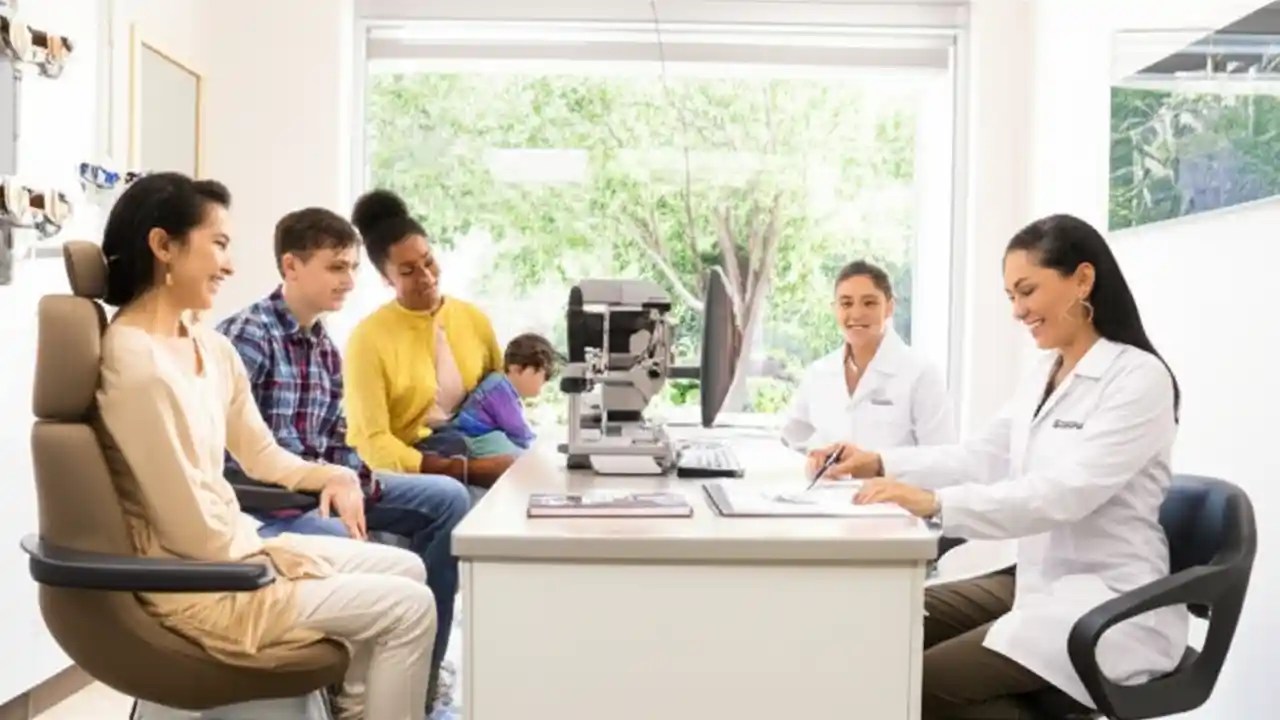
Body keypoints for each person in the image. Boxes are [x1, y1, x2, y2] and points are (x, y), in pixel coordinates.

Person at [806, 214, 1187, 718]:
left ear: (1083, 279)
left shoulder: (1138, 378)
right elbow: (979, 455)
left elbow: (1065, 494)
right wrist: (877, 461)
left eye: (1027, 291)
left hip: (1106, 601)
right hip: (1032, 580)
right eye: (1011, 296)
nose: (1018, 311)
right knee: (882, 627)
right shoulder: (1044, 372)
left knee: (918, 683)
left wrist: (937, 503)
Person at [95, 172, 434, 720]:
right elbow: (187, 530)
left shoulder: (209, 346)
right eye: (220, 245)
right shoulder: (137, 364)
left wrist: (331, 476)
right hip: (203, 583)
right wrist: (283, 561)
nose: (230, 265)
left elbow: (260, 454)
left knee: (406, 570)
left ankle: (353, 709)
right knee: (409, 608)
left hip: (234, 553)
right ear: (163, 246)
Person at [216, 206, 470, 713]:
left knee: (449, 500)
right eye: (337, 267)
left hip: (324, 488)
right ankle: (358, 698)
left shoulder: (323, 346)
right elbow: (231, 456)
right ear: (291, 267)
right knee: (339, 537)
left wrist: (358, 481)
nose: (350, 281)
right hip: (270, 503)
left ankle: (418, 678)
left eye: (353, 267)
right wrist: (328, 486)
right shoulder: (247, 336)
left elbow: (336, 437)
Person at [343, 189, 516, 493]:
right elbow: (370, 440)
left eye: (428, 261)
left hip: (475, 441)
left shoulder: (472, 319)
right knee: (472, 505)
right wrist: (456, 469)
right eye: (408, 271)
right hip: (420, 460)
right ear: (386, 278)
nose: (425, 276)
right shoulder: (368, 340)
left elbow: (502, 394)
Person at [781, 259, 955, 456]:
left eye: (869, 303)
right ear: (835, 309)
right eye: (846, 303)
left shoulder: (921, 374)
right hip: (829, 486)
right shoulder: (819, 373)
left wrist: (883, 469)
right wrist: (814, 457)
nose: (856, 313)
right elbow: (790, 438)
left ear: (889, 307)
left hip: (893, 486)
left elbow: (941, 457)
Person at [451, 332, 559, 456]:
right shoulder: (500, 387)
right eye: (542, 374)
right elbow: (516, 429)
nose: (544, 381)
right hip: (471, 438)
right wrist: (532, 445)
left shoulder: (503, 386)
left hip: (476, 437)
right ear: (516, 368)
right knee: (517, 457)